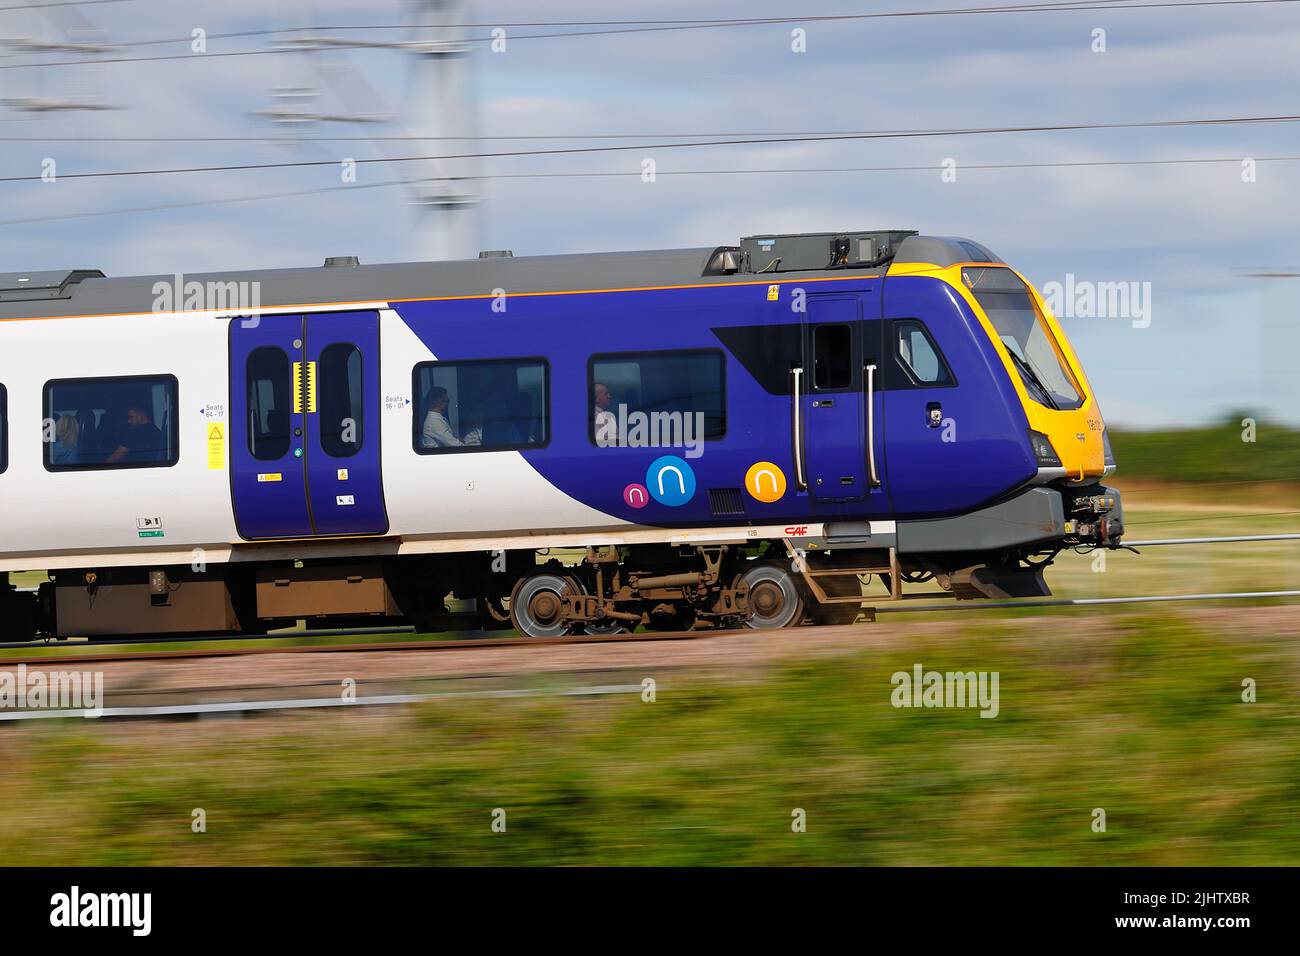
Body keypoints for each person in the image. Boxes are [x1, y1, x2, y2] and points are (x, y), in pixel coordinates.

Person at [593, 381, 617, 446]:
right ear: (596, 399)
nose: (610, 396)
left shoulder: (603, 415)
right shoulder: (594, 416)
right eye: (606, 394)